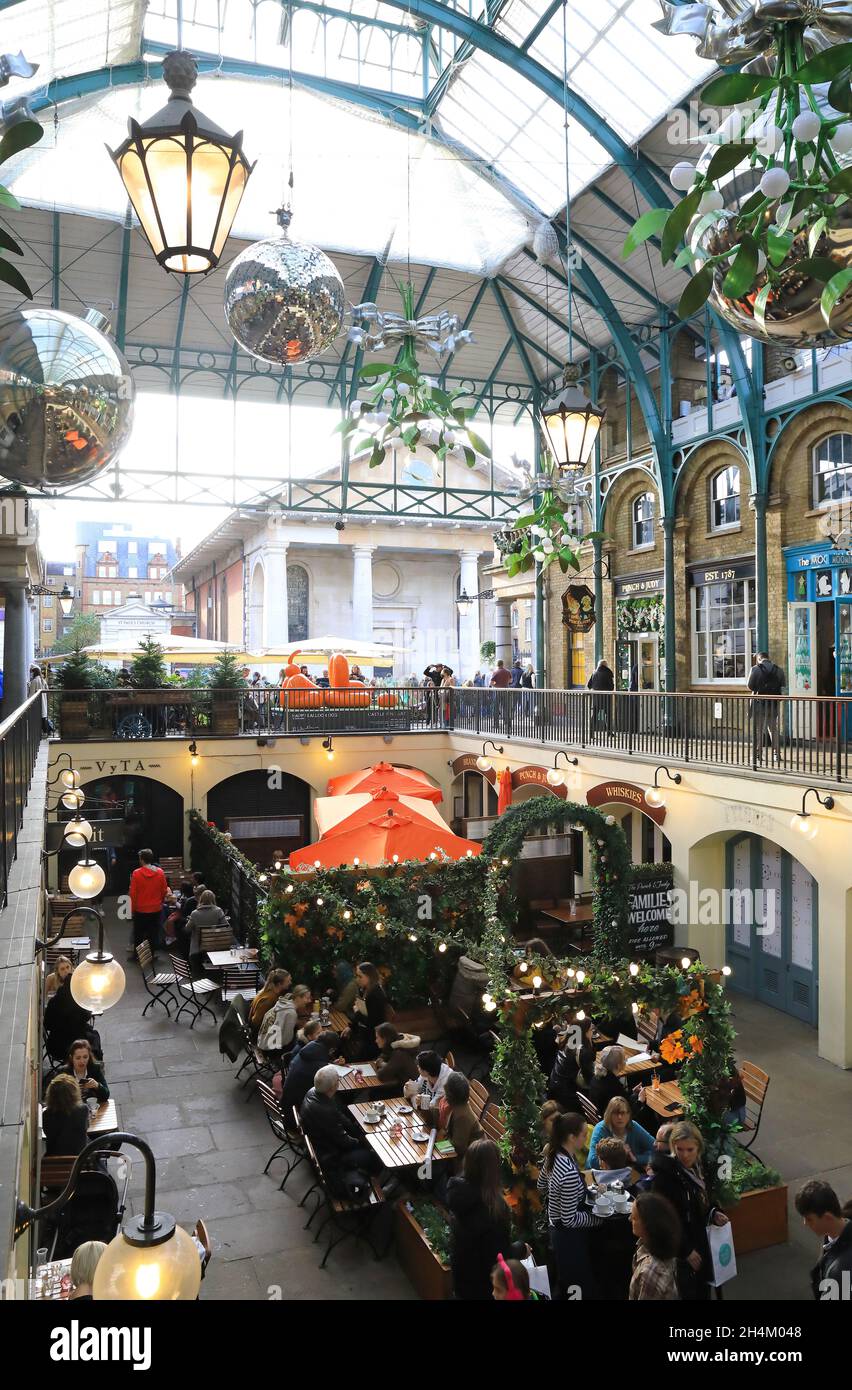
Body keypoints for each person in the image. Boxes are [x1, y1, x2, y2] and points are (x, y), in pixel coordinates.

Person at [650, 1120, 729, 1300]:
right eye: (679, 1149)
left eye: (690, 1150)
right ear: (672, 1148)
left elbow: (704, 1200)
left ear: (698, 1149)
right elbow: (663, 1220)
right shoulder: (664, 1178)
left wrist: (713, 1212)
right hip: (684, 1253)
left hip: (702, 1242)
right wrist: (684, 1250)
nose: (684, 1155)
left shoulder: (701, 1168)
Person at [537, 1111, 603, 1299]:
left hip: (554, 1227)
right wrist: (597, 1219)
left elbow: (541, 1185)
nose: (586, 1138)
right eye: (583, 1134)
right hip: (568, 1237)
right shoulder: (568, 1172)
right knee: (577, 1287)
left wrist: (559, 1194)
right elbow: (569, 1219)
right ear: (572, 1137)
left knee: (565, 1280)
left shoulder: (553, 1154)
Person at [300, 1065, 382, 1196]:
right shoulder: (325, 1111)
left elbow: (339, 1115)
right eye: (338, 1079)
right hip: (331, 1156)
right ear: (333, 1086)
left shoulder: (313, 1092)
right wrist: (363, 1142)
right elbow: (344, 1141)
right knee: (375, 1156)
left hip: (319, 1145)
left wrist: (355, 1129)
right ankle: (374, 1186)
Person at [446, 1138, 511, 1300]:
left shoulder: (459, 1191)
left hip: (461, 1275)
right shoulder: (493, 1208)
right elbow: (497, 1258)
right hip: (482, 1286)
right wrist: (519, 1249)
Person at [795, 1180, 852, 1300]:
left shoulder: (841, 1273)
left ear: (827, 1217)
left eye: (809, 1219)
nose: (805, 1223)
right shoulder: (835, 1235)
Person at [629, 1193, 682, 1300]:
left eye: (634, 1218)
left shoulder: (651, 1272)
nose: (630, 1219)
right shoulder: (659, 1245)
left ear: (648, 1225)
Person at [280, 1029, 342, 1116]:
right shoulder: (320, 1066)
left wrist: (329, 1064)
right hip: (298, 1113)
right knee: (336, 1101)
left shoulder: (306, 1051)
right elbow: (327, 1087)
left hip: (288, 1104)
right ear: (331, 1049)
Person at [426, 1072, 484, 1164]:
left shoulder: (462, 1116)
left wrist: (439, 1141)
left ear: (451, 1096)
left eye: (447, 1094)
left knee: (427, 1156)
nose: (445, 1096)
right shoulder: (457, 1105)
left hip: (471, 1160)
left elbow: (458, 1149)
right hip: (458, 1148)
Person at [44, 972, 100, 1062]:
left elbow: (47, 1025)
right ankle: (95, 1063)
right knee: (95, 1036)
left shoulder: (53, 1002)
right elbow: (87, 1016)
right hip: (75, 1045)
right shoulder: (78, 1000)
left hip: (56, 1046)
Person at [341, 961, 390, 1060]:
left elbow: (371, 1022)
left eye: (360, 976)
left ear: (369, 977)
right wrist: (351, 1027)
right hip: (365, 1034)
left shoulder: (376, 994)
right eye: (356, 976)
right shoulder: (365, 989)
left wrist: (357, 1012)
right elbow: (362, 1013)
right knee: (341, 1040)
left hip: (374, 1039)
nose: (357, 979)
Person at [588, 1097, 654, 1169]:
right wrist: (622, 1155)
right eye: (616, 1113)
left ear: (628, 1114)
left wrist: (635, 1158)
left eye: (623, 1113)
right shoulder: (601, 1129)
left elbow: (656, 1149)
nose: (620, 1117)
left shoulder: (633, 1126)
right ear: (609, 1115)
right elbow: (592, 1161)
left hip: (628, 1172)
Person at [128, 848, 169, 959]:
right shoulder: (160, 872)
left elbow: (133, 894)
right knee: (153, 934)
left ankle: (136, 955)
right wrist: (159, 901)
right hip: (156, 909)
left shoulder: (136, 873)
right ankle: (151, 954)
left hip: (140, 909)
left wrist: (132, 910)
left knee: (138, 934)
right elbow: (164, 890)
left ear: (141, 860)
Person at [548, 1016, 595, 1111]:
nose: (592, 1032)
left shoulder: (565, 1042)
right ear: (584, 1032)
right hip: (569, 1094)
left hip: (555, 1087)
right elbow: (590, 1078)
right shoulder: (582, 1051)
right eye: (590, 1030)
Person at [748, 650, 785, 765]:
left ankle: (757, 754)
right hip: (773, 704)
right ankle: (776, 754)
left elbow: (749, 686)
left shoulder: (755, 669)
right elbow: (783, 684)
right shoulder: (778, 670)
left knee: (758, 730)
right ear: (768, 658)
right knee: (773, 729)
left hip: (759, 704)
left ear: (759, 659)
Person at [185, 889, 229, 977]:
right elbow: (226, 926)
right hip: (216, 947)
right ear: (213, 899)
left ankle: (198, 978)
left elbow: (187, 929)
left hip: (198, 949)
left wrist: (190, 921)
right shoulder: (218, 911)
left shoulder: (195, 913)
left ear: (201, 899)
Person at [257, 984, 311, 1055]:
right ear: (298, 997)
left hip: (263, 1041)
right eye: (307, 998)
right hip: (271, 1048)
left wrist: (295, 1022)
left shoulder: (284, 1003)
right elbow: (286, 1041)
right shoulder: (290, 1013)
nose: (309, 1001)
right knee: (306, 1041)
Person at [43, 1074, 89, 1156]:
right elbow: (86, 1127)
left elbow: (48, 1134)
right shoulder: (83, 1110)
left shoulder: (46, 1115)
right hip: (79, 1159)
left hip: (54, 1161)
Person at [57, 1039, 109, 1103]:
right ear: (71, 1058)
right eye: (78, 1058)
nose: (82, 1061)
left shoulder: (95, 1068)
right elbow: (56, 1097)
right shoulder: (63, 1072)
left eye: (85, 1057)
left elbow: (106, 1095)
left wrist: (97, 1085)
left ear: (89, 1057)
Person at [588, 1045, 632, 1117]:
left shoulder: (596, 1076)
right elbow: (629, 1109)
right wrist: (640, 1101)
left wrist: (632, 1092)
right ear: (618, 1066)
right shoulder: (614, 1085)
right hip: (611, 1123)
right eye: (624, 1059)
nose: (626, 1061)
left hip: (600, 1115)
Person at [248, 968, 292, 1040]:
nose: (290, 983)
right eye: (288, 981)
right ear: (279, 984)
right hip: (259, 1035)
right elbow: (255, 1022)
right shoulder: (268, 999)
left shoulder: (271, 992)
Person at [587, 658, 614, 736]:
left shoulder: (594, 672)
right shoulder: (608, 672)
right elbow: (611, 687)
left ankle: (591, 732)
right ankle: (609, 732)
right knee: (608, 714)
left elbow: (589, 685)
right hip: (606, 697)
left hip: (596, 697)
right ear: (605, 665)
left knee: (595, 714)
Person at [29, 664, 50, 731]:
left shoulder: (34, 681)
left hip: (37, 703)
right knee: (43, 716)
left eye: (31, 672)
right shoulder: (43, 680)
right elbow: (47, 690)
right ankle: (46, 732)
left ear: (34, 672)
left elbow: (31, 695)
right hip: (43, 701)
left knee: (38, 718)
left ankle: (40, 732)